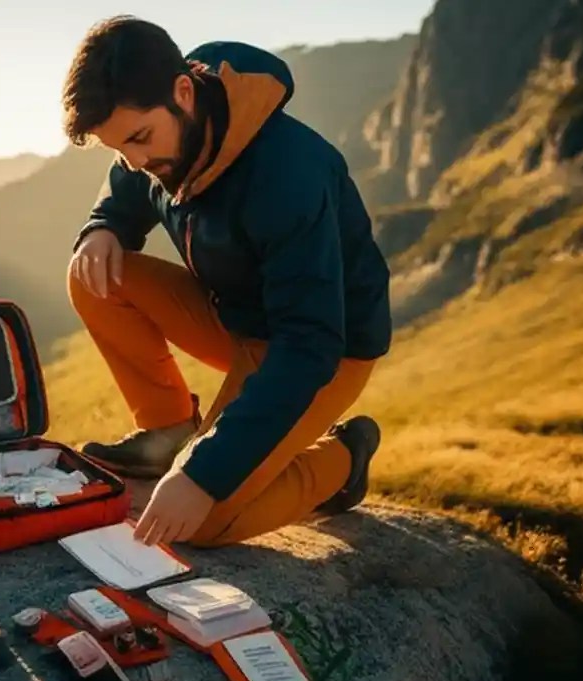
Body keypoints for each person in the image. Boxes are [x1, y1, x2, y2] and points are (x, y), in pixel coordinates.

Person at [61, 16, 393, 548]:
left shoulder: (288, 175)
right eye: (120, 148)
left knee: (203, 520)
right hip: (235, 316)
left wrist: (200, 477)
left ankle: (344, 458)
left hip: (320, 348)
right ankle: (169, 430)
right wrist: (104, 226)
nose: (136, 161)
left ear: (184, 92)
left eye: (141, 138)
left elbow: (309, 345)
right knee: (94, 274)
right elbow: (127, 181)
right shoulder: (163, 134)